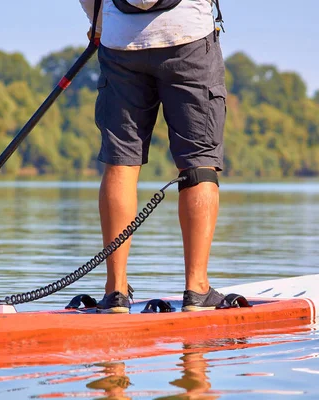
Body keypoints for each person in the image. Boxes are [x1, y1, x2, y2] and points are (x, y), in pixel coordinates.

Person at [79, 0, 227, 313]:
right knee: (198, 163)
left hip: (120, 40)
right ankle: (197, 289)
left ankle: (115, 291)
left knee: (120, 162)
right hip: (188, 35)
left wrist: (100, 24)